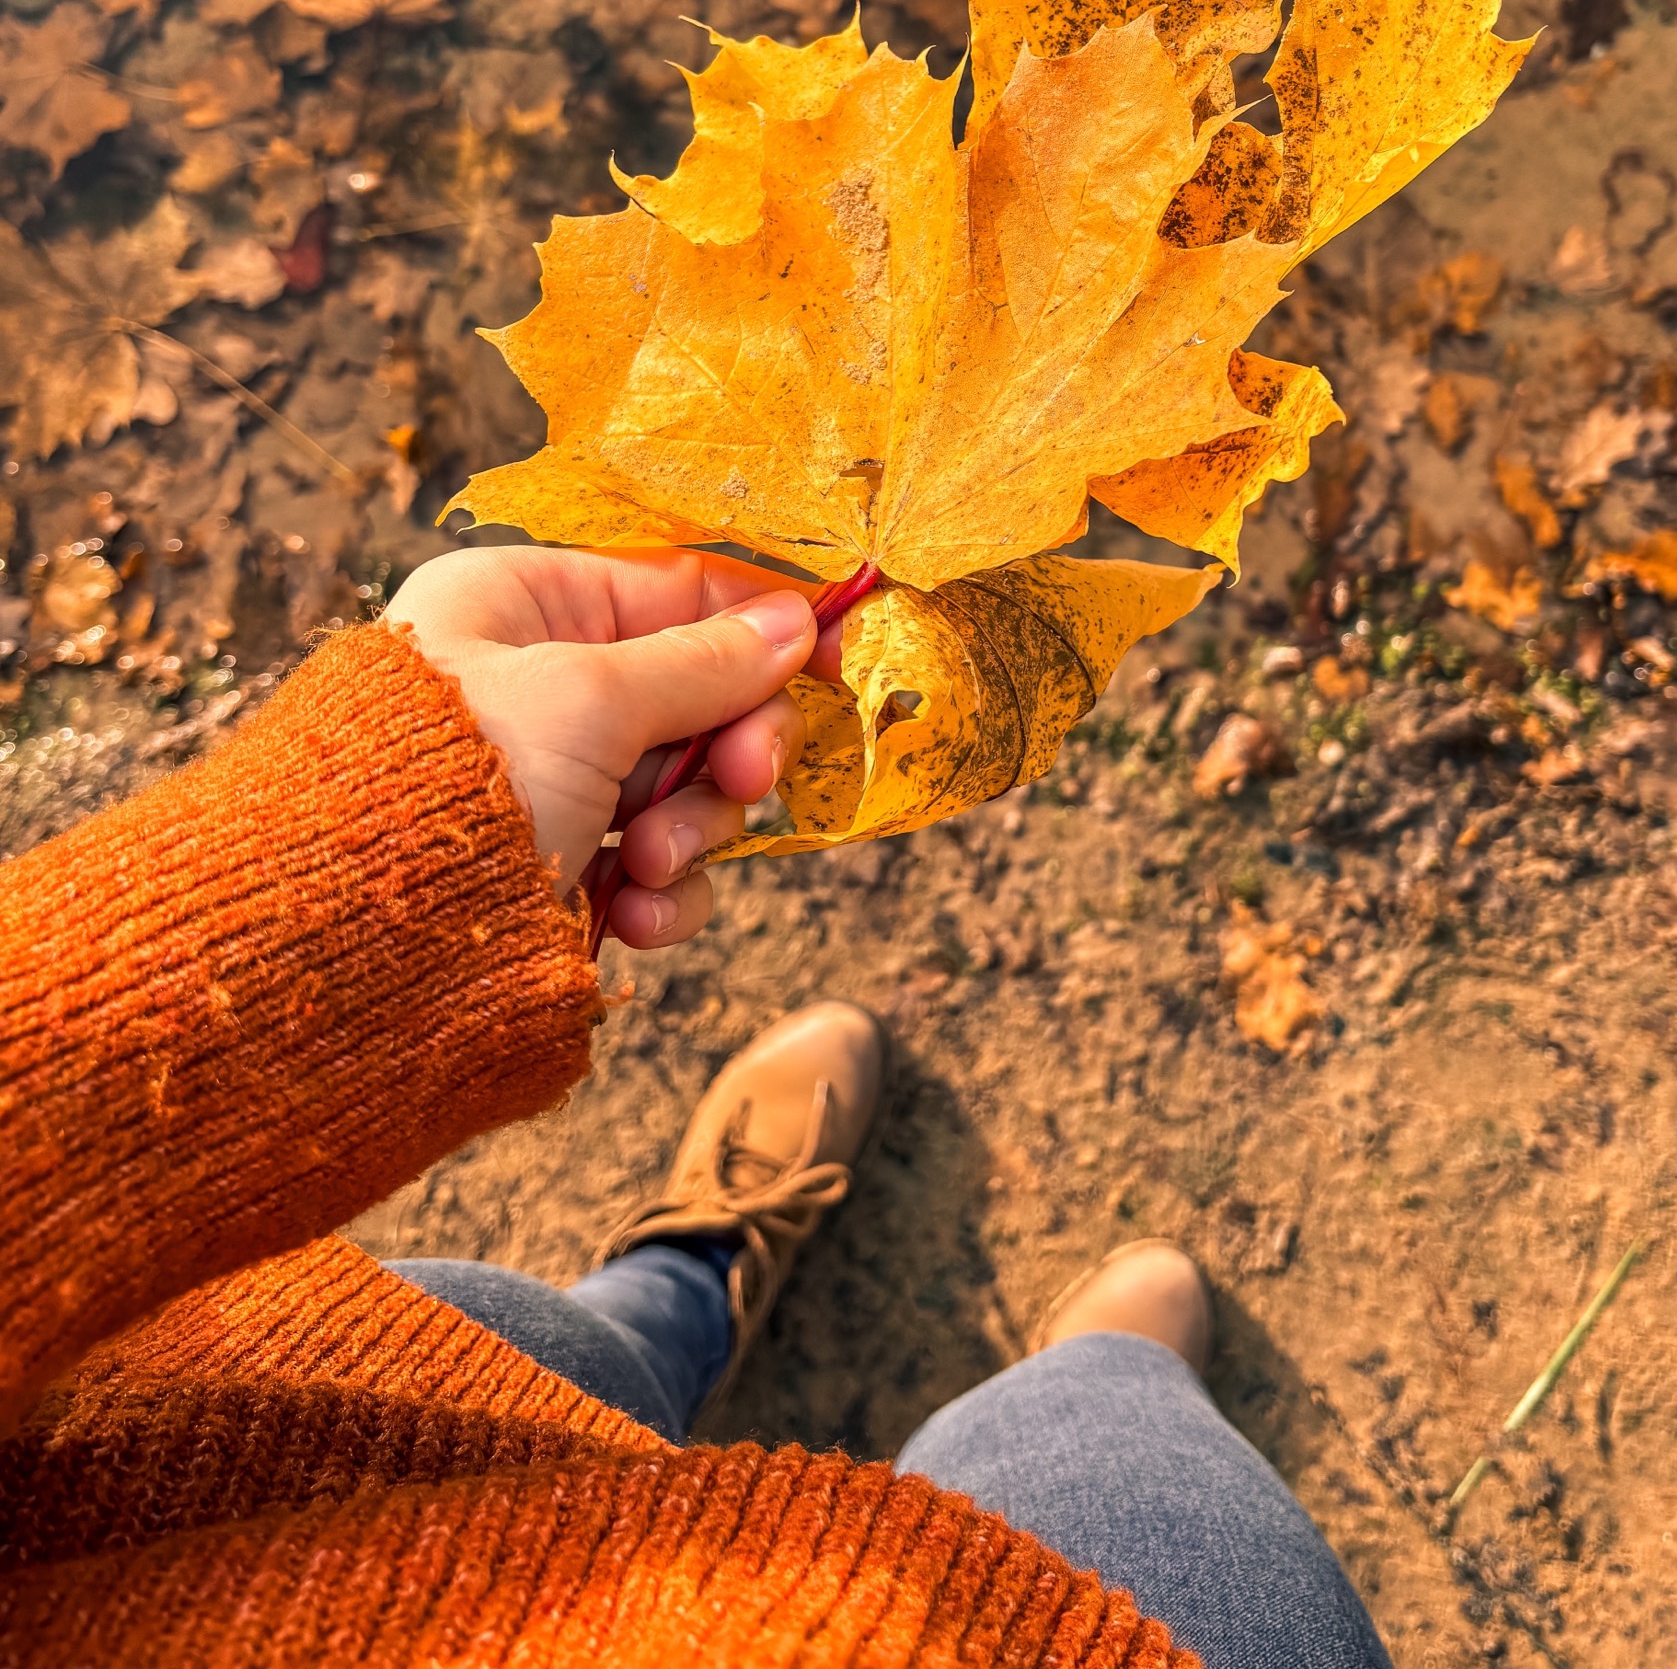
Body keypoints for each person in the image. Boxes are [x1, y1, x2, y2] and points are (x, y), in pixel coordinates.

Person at [0, 543, 1389, 1669]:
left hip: (258, 1476)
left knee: (558, 1364)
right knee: (1108, 1466)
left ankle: (696, 1273)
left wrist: (399, 829)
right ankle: (1091, 1385)